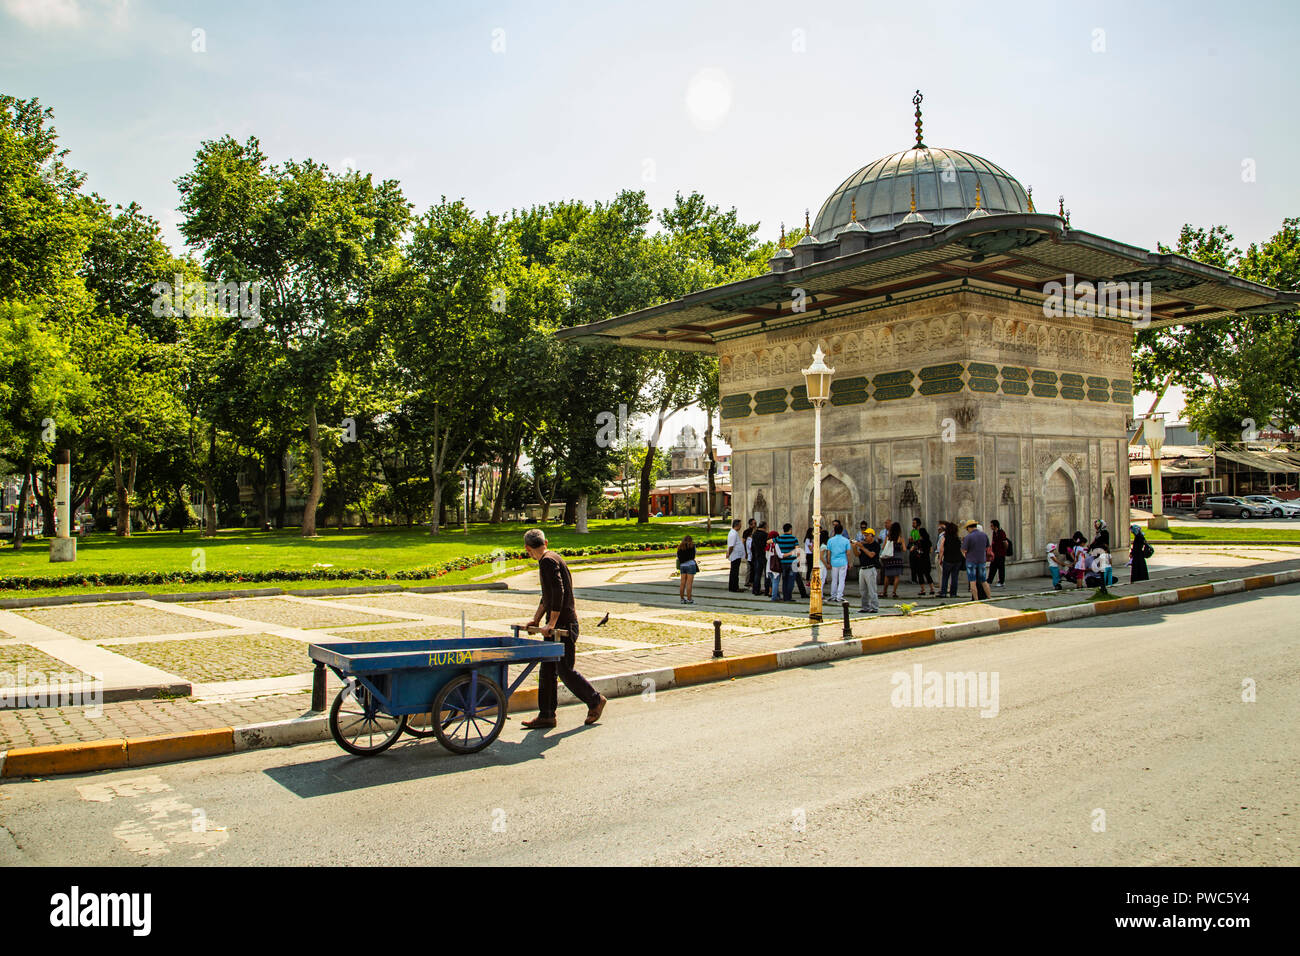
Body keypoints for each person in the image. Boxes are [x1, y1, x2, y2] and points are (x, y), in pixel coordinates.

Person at [520, 528, 606, 729]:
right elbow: (547, 596)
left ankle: (595, 700)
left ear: (527, 548)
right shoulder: (552, 558)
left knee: (564, 670)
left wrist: (551, 623)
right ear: (546, 542)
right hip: (557, 625)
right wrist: (536, 620)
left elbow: (558, 591)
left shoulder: (547, 562)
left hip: (564, 626)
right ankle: (546, 715)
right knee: (547, 669)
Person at [773, 523, 806, 601]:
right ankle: (788, 597)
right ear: (790, 529)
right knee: (791, 580)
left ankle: (785, 597)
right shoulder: (794, 539)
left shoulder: (779, 538)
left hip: (783, 562)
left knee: (784, 580)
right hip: (793, 562)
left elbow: (769, 541)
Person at [961, 519, 991, 601]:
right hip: (981, 560)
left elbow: (964, 550)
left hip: (971, 561)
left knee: (972, 581)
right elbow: (987, 546)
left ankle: (976, 599)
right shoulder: (984, 535)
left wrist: (966, 556)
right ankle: (989, 598)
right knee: (983, 580)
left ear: (969, 528)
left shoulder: (968, 537)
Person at [854, 527, 881, 613]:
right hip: (862, 569)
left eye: (867, 535)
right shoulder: (864, 545)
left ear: (872, 536)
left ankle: (874, 607)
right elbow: (857, 554)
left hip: (870, 568)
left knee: (872, 590)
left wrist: (862, 547)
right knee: (863, 590)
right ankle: (865, 607)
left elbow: (871, 555)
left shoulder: (875, 545)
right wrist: (854, 547)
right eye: (864, 535)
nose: (865, 537)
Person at [909, 518, 936, 596]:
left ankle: (923, 590)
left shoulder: (918, 542)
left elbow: (912, 548)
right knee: (927, 574)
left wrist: (913, 547)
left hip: (919, 559)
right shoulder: (928, 542)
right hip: (926, 559)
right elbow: (931, 550)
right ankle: (932, 589)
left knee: (920, 574)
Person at [937, 521, 963, 598]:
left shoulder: (945, 538)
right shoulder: (957, 539)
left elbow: (941, 549)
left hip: (948, 559)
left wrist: (940, 558)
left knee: (945, 577)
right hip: (957, 560)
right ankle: (953, 593)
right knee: (955, 577)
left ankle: (944, 592)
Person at [825, 524, 851, 603]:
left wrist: (828, 562)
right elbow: (848, 553)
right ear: (842, 531)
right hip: (843, 561)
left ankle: (833, 595)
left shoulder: (830, 540)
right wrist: (849, 562)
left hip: (834, 561)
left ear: (834, 531)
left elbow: (829, 553)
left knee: (834, 579)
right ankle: (839, 596)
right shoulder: (846, 540)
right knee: (842, 579)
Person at [880, 522, 906, 599]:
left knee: (887, 575)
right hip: (898, 558)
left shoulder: (888, 537)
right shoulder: (900, 538)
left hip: (889, 557)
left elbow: (883, 548)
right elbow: (904, 549)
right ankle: (894, 592)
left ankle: (885, 591)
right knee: (896, 576)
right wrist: (899, 547)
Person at [676, 534, 698, 604]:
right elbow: (693, 556)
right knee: (689, 583)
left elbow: (678, 557)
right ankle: (689, 599)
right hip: (691, 565)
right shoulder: (693, 546)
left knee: (682, 583)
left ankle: (682, 599)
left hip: (682, 566)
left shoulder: (680, 547)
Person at [765, 530, 785, 601]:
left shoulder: (768, 546)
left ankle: (778, 596)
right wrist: (788, 554)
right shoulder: (776, 545)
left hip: (769, 566)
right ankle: (774, 598)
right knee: (776, 582)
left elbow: (767, 556)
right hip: (775, 566)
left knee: (773, 582)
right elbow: (780, 555)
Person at [989, 519, 1009, 588]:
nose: (990, 527)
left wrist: (1003, 550)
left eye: (992, 526)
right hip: (995, 553)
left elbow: (1005, 542)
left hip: (1000, 554)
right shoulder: (994, 532)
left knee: (1001, 568)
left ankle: (1001, 581)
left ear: (995, 526)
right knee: (993, 567)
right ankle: (989, 580)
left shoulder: (1001, 532)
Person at [750, 522, 769, 595]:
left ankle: (756, 590)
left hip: (757, 555)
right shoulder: (765, 535)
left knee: (757, 574)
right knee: (766, 573)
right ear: (764, 527)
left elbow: (752, 546)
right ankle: (767, 590)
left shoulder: (754, 534)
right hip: (764, 555)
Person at [725, 519, 743, 592]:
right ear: (737, 525)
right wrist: (729, 553)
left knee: (735, 572)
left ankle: (734, 586)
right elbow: (731, 546)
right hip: (735, 555)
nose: (741, 526)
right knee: (734, 572)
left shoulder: (734, 533)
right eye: (740, 525)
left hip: (736, 555)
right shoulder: (733, 533)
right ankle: (734, 587)